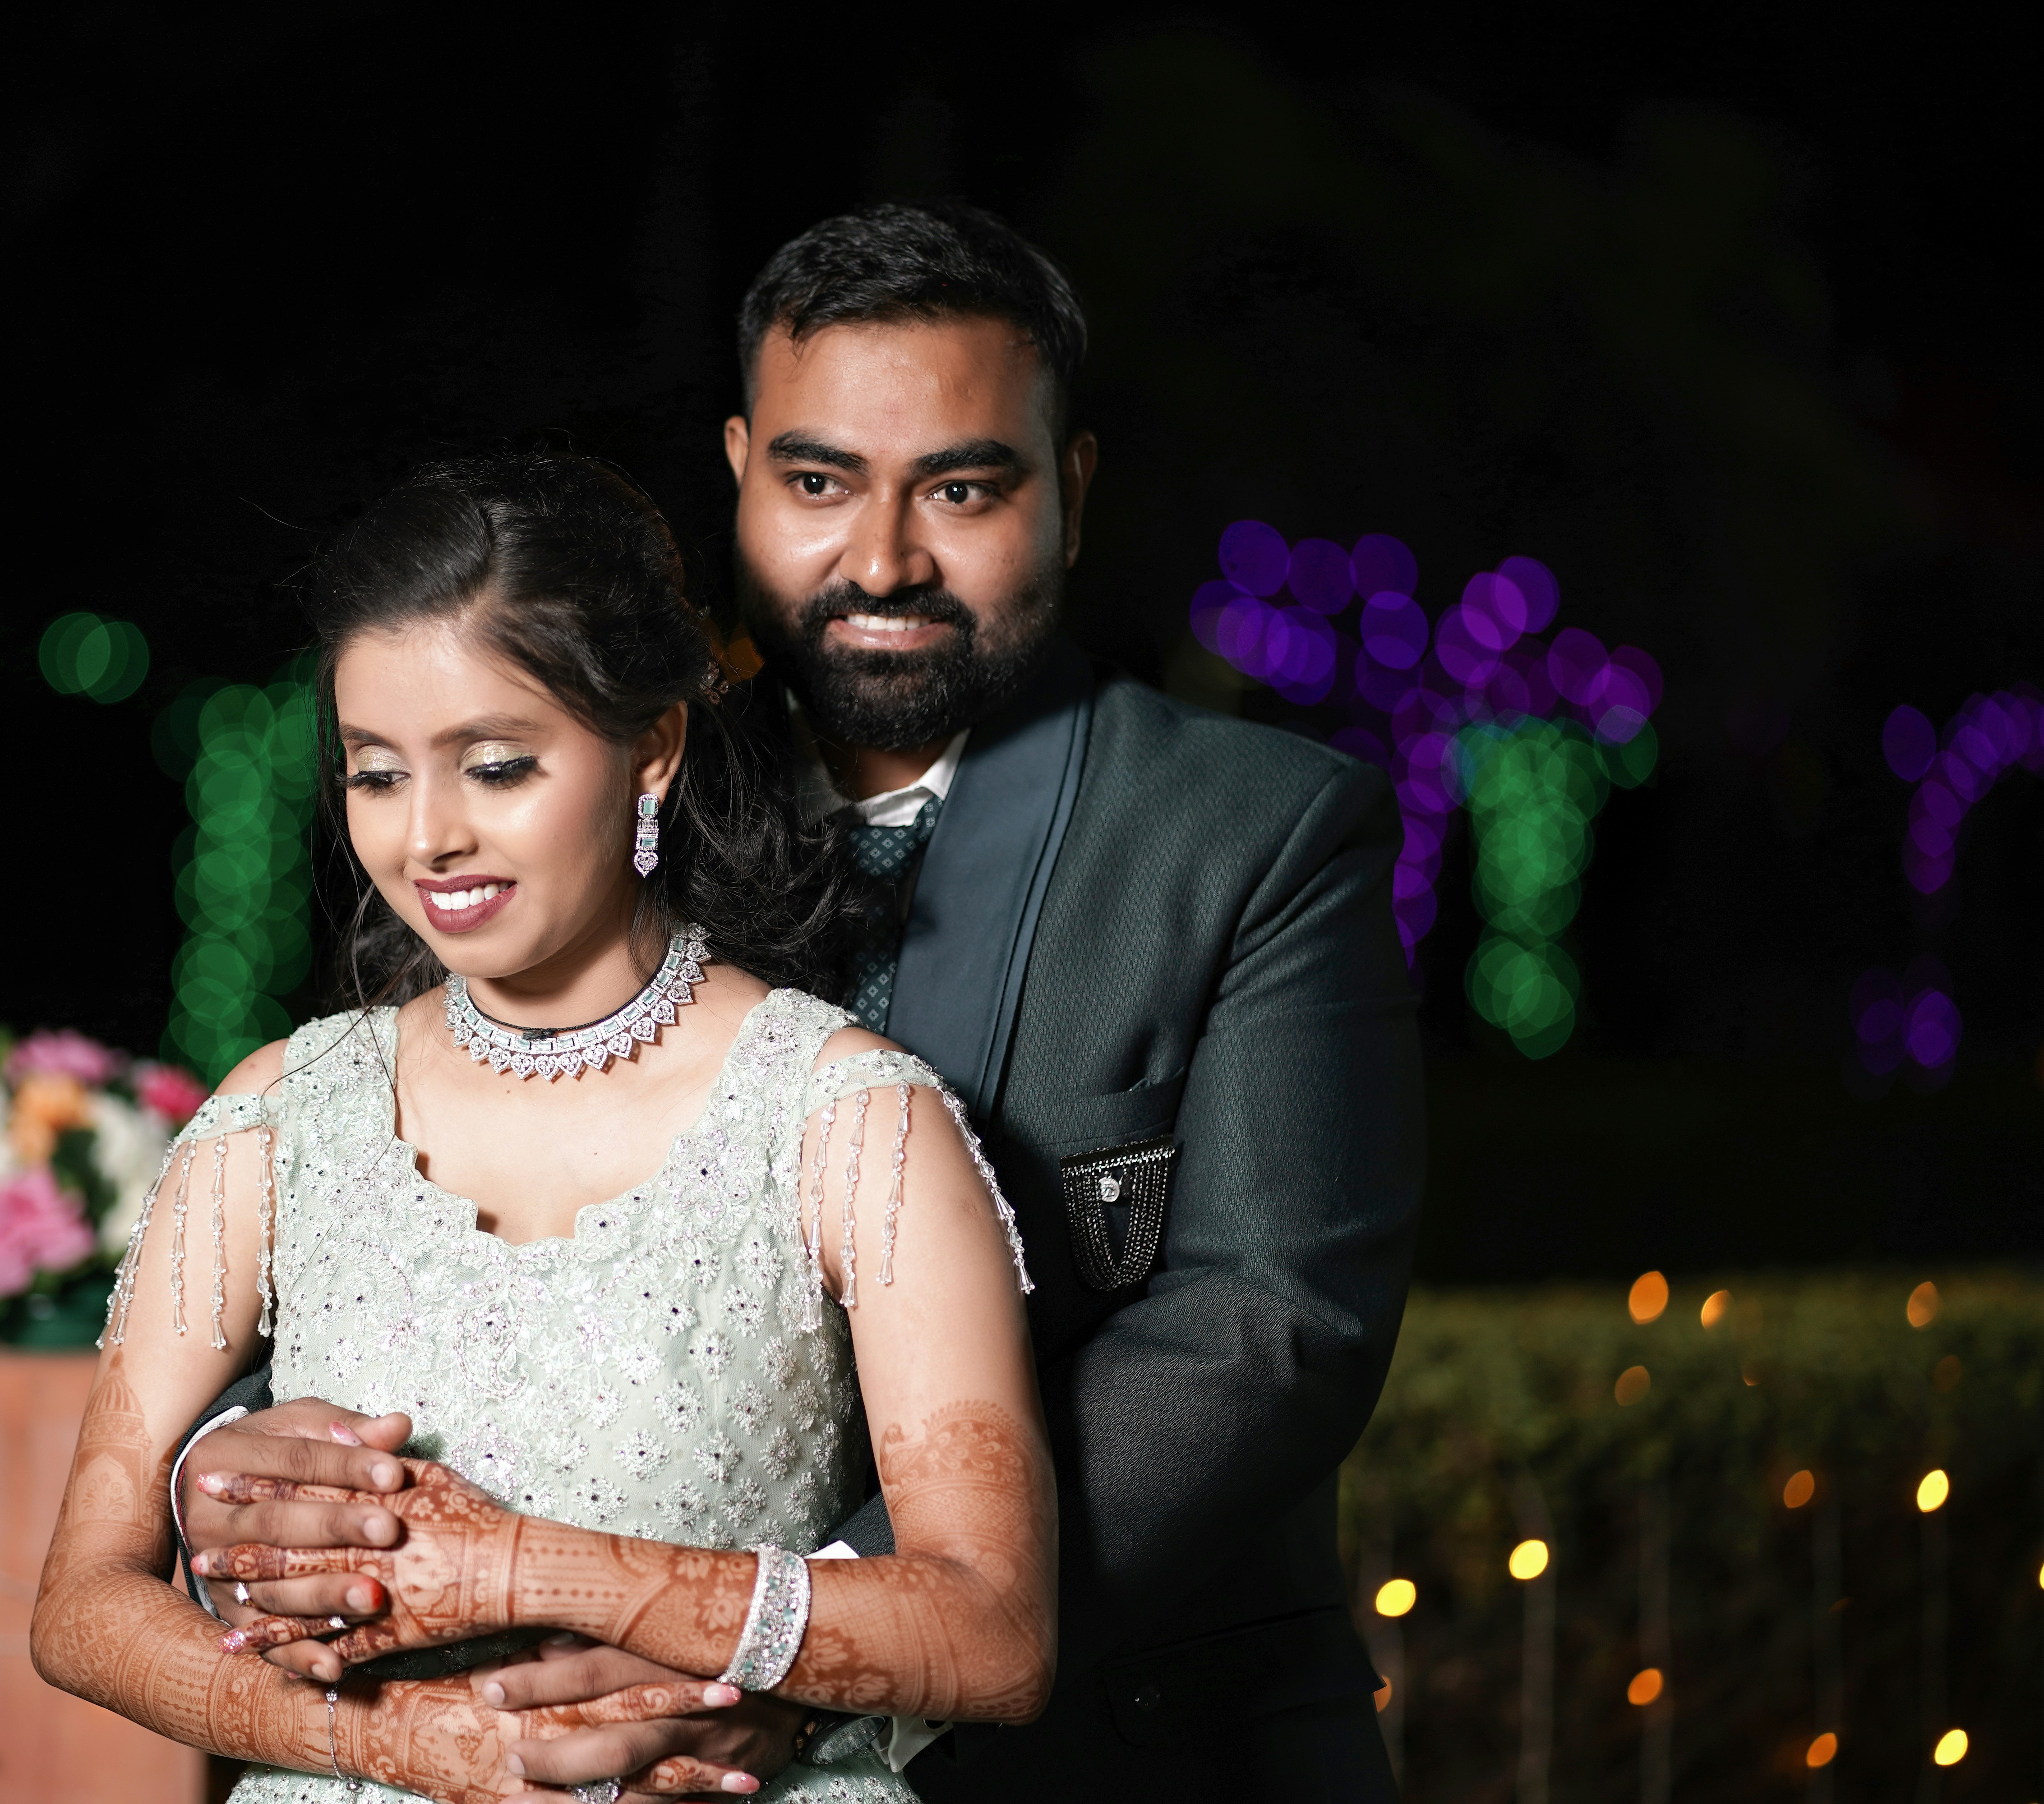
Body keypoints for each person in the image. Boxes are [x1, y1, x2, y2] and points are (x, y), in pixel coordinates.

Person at [176, 204, 1421, 1800]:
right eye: (820, 483)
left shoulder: (1257, 835)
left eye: (962, 487)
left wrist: (800, 1641)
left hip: (1129, 1747)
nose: (885, 557)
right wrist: (232, 1462)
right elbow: (389, 1170)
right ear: (743, 469)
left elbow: (1269, 1335)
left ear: (1076, 490)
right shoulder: (587, 782)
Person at [29, 451, 1058, 1802]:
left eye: (498, 765)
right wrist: (382, 1745)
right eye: (377, 775)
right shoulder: (274, 1118)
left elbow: (994, 1637)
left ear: (653, 753)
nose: (430, 837)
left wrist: (520, 1569)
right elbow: (77, 1610)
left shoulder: (849, 1123)